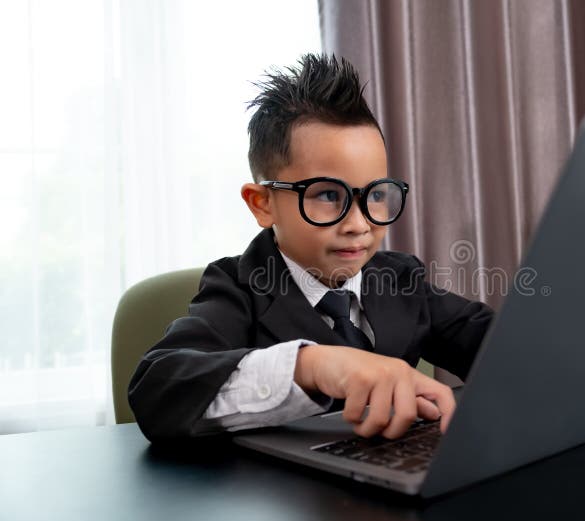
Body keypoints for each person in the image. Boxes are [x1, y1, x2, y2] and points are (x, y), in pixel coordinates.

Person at [128, 53, 494, 443]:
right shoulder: (237, 287)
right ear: (262, 203)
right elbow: (157, 389)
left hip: (387, 486)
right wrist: (312, 364)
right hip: (278, 497)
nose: (358, 225)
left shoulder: (400, 278)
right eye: (327, 195)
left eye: (375, 195)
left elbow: (500, 344)